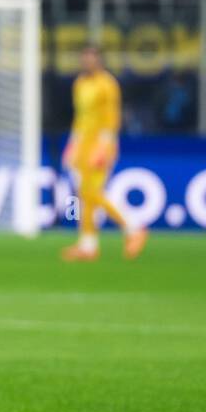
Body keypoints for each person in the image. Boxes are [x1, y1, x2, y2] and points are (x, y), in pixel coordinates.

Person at [61, 44, 149, 261]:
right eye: (84, 58)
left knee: (92, 192)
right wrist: (72, 145)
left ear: (99, 60)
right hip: (83, 144)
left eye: (91, 58)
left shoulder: (107, 85)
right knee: (85, 196)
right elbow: (80, 118)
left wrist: (103, 147)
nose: (87, 62)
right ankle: (88, 246)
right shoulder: (80, 83)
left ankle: (133, 228)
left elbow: (112, 120)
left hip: (101, 146)